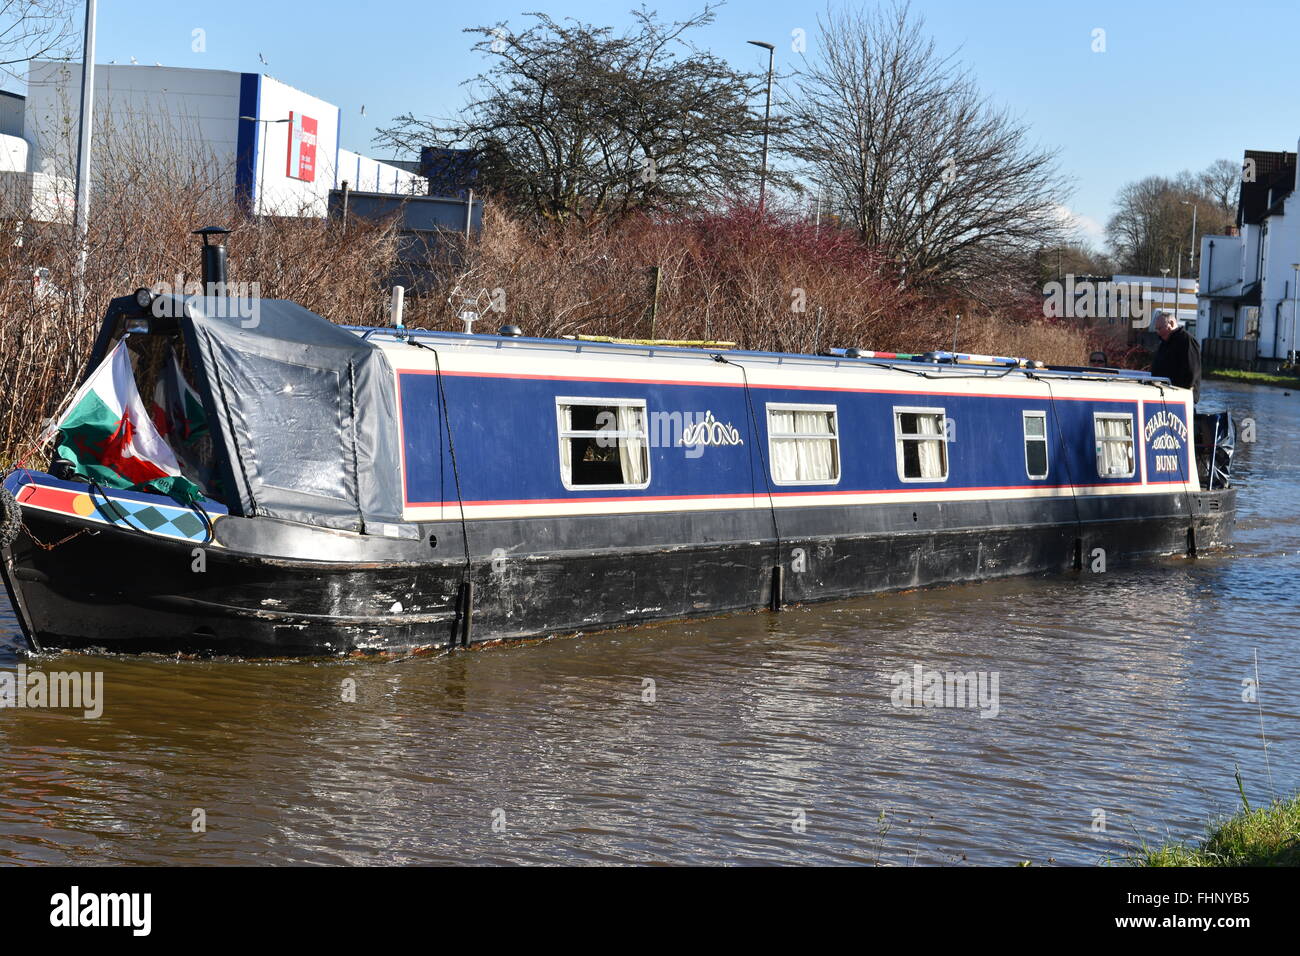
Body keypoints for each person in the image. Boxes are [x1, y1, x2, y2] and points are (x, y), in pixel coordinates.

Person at [1151, 313, 1201, 403]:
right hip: (1163, 394)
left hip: (1180, 397)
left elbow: (1191, 372)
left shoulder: (1187, 340)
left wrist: (1177, 393)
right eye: (1156, 329)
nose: (1158, 332)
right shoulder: (1164, 343)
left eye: (1160, 328)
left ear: (1171, 323)